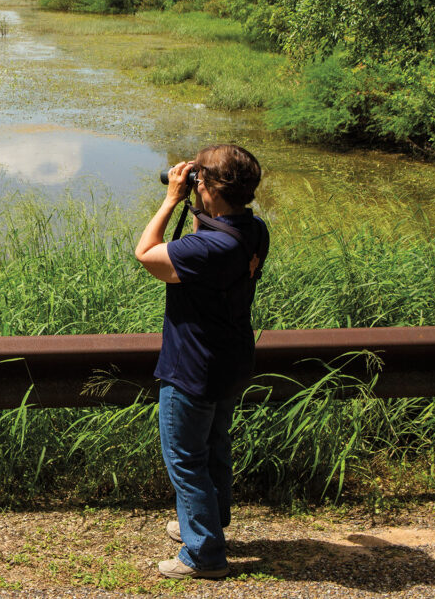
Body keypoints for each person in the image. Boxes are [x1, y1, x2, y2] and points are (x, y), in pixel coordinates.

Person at [134, 144, 268, 580]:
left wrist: (172, 198)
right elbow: (204, 238)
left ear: (206, 184)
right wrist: (200, 202)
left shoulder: (205, 251)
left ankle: (204, 554)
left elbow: (146, 254)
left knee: (186, 458)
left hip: (192, 366)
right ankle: (210, 522)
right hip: (231, 360)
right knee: (215, 447)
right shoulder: (253, 231)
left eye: (198, 178)